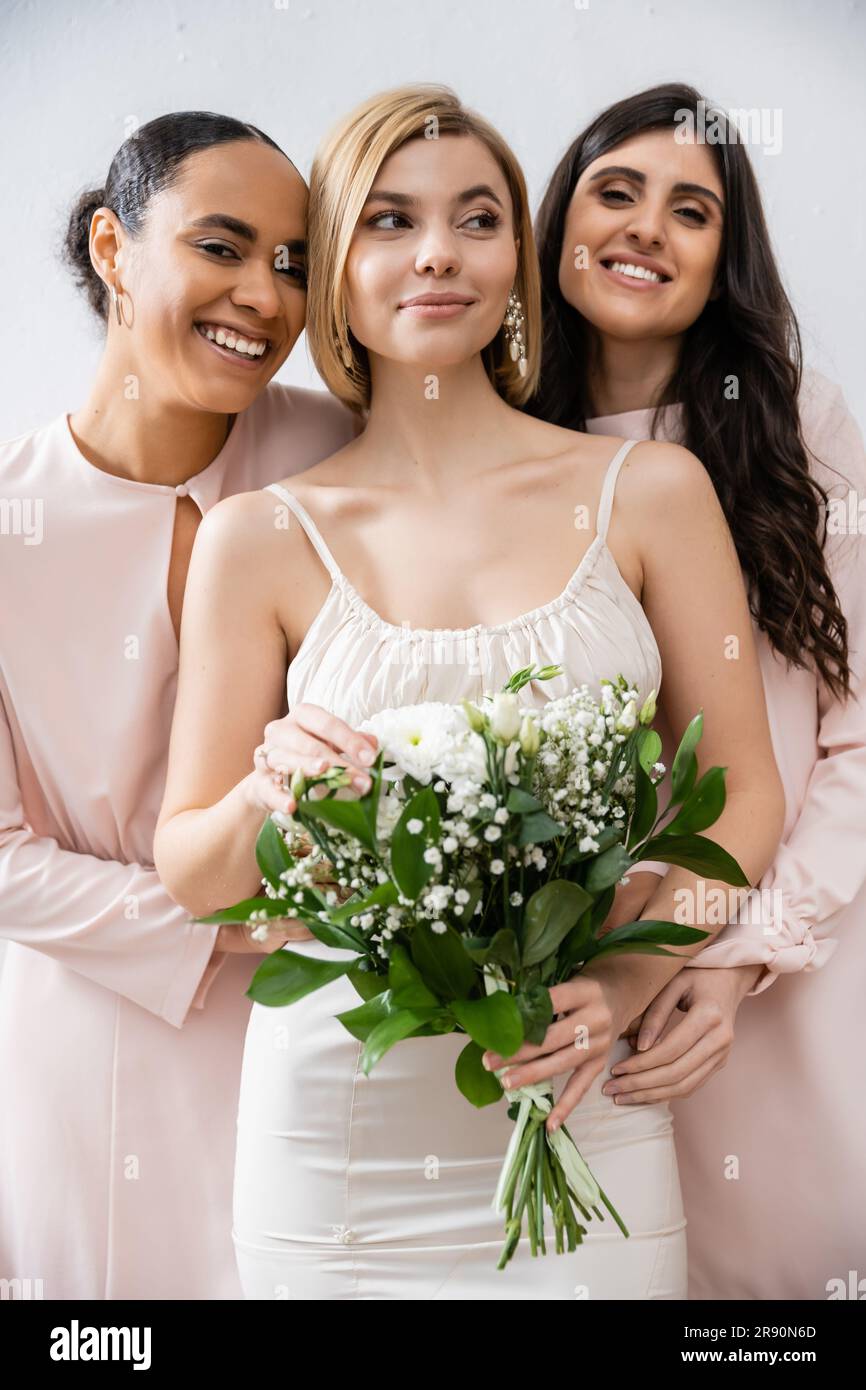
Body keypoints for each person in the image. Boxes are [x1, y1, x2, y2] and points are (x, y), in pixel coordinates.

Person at [154, 85, 784, 1299]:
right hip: (330, 1143)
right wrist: (265, 793)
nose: (436, 251)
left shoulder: (646, 493)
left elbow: (742, 798)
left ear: (515, 262)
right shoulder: (257, 536)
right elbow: (193, 869)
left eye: (475, 218)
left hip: (580, 1111)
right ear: (333, 267)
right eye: (388, 220)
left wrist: (620, 983)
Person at [0, 110, 356, 1300]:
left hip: (341, 1020)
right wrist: (224, 924)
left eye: (295, 263)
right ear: (112, 247)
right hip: (105, 1033)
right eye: (223, 245)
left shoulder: (343, 452)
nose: (264, 294)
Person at [529, 82, 866, 1299]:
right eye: (614, 192)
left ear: (724, 257)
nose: (643, 230)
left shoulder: (793, 430)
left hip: (785, 969)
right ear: (557, 214)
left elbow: (857, 738)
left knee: (769, 1294)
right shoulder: (493, 437)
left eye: (690, 211)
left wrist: (737, 956)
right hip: (563, 990)